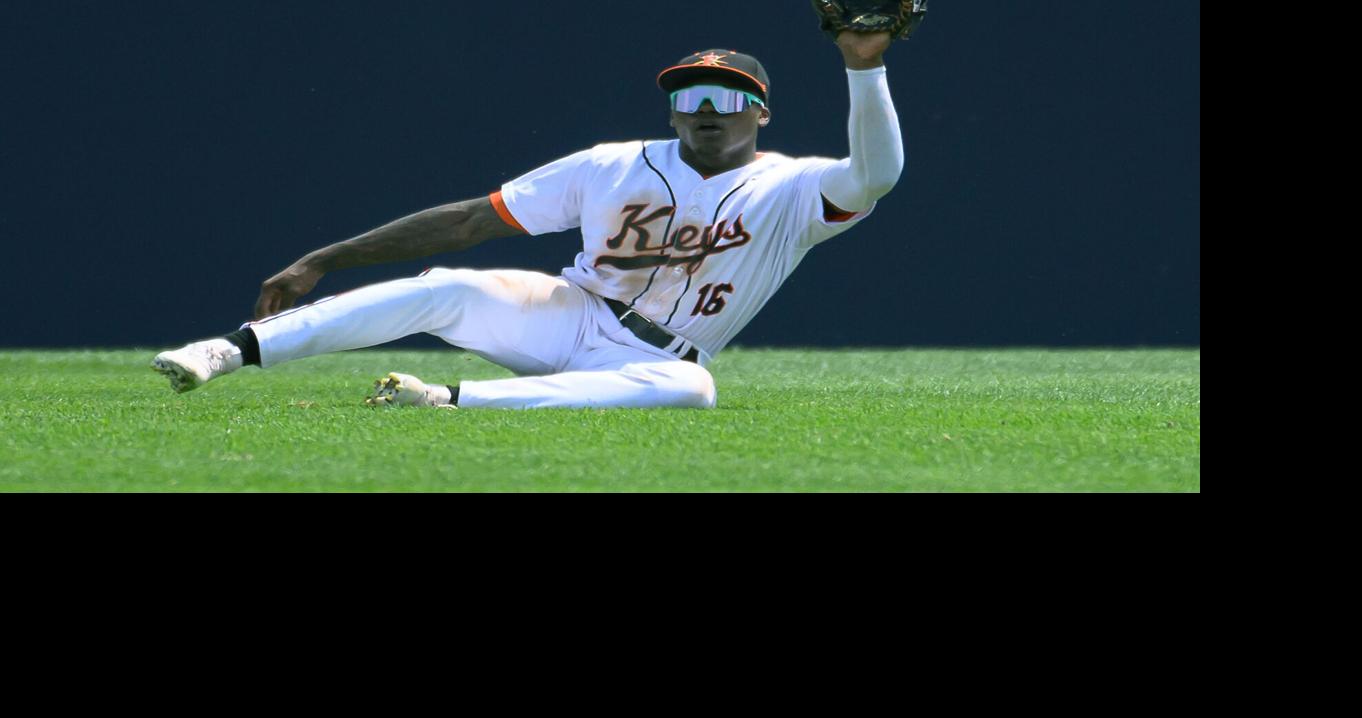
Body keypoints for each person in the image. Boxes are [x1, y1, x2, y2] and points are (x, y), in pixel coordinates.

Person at [151, 31, 903, 409]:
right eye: (691, 98)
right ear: (672, 108)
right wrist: (327, 256)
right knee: (444, 285)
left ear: (762, 112)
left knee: (690, 389)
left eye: (730, 99)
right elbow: (472, 220)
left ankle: (444, 402)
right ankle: (228, 350)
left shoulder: (793, 189)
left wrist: (864, 66)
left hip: (650, 359)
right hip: (566, 314)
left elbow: (877, 175)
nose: (707, 113)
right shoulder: (612, 162)